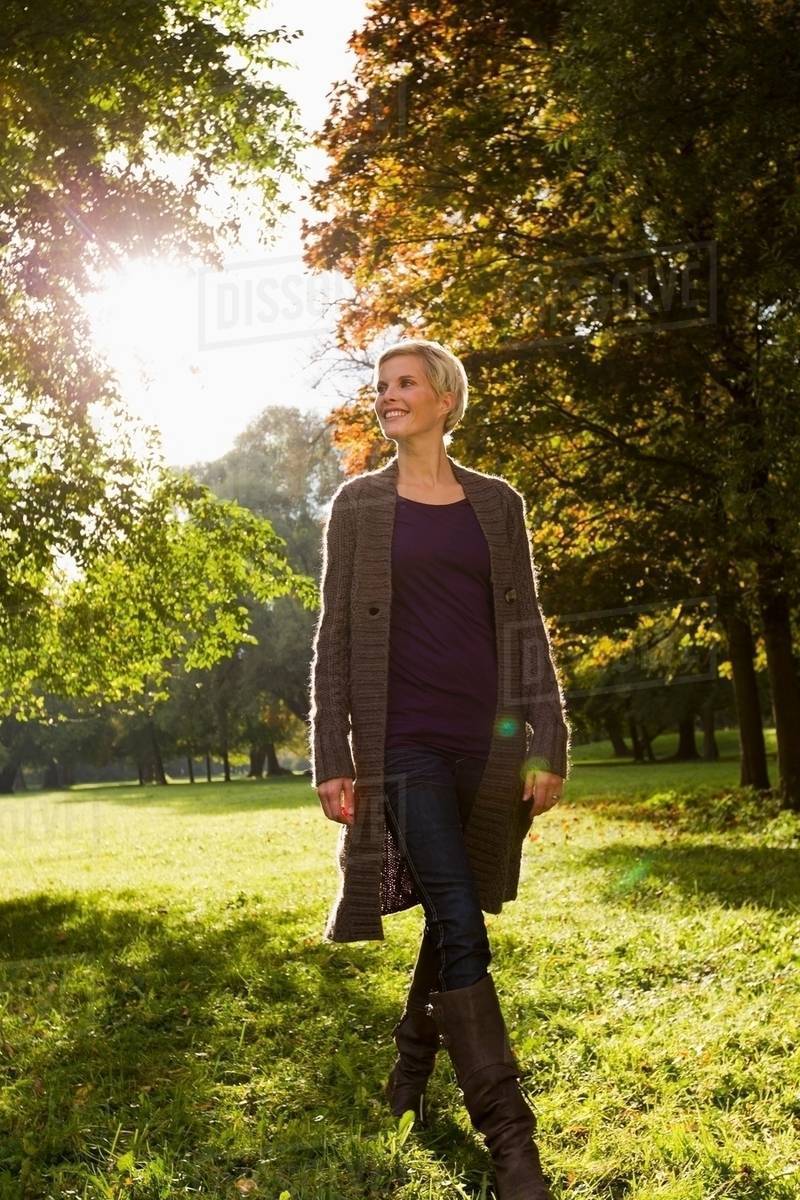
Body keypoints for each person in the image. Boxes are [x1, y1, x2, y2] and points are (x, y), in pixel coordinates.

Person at [310, 338, 571, 1200]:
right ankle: (511, 1142)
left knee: (452, 913)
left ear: (445, 399)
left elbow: (526, 626)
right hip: (403, 746)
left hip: (488, 745)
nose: (387, 396)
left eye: (404, 384)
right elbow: (334, 641)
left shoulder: (497, 504)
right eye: (381, 386)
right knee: (460, 913)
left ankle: (412, 1063)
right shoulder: (357, 506)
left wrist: (548, 740)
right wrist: (334, 758)